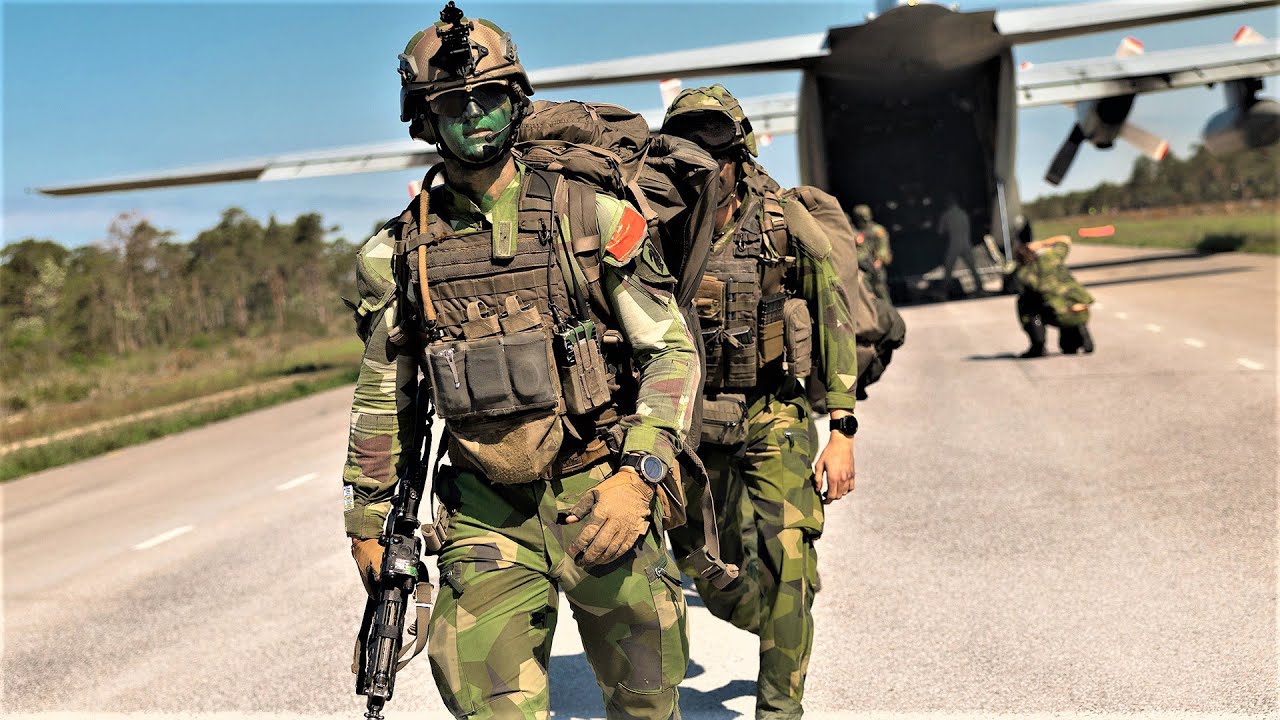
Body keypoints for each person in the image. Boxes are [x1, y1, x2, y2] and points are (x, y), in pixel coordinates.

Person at [342, 6, 699, 717]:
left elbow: (671, 351)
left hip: (602, 495)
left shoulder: (590, 218)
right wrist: (366, 515)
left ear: (516, 100)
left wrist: (642, 474)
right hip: (484, 514)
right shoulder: (396, 254)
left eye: (489, 97)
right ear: (424, 119)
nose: (474, 116)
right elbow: (387, 391)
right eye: (453, 103)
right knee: (488, 705)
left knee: (646, 704)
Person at [660, 84, 859, 720]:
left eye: (711, 159)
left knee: (789, 562)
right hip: (694, 424)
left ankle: (780, 708)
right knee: (710, 577)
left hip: (773, 411)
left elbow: (833, 316)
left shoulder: (780, 223)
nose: (701, 175)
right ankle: (776, 613)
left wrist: (843, 428)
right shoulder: (656, 233)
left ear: (738, 157)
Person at [1013, 234, 1096, 357]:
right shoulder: (1051, 257)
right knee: (1068, 344)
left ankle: (1038, 344)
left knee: (1026, 306)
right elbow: (1065, 239)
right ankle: (1077, 334)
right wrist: (1042, 243)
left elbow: (1025, 290)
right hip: (1078, 309)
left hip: (1056, 312)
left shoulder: (1023, 274)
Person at [937, 194, 984, 298]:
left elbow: (940, 231)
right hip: (966, 243)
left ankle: (944, 290)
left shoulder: (947, 215)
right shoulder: (963, 214)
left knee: (948, 268)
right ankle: (979, 286)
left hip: (954, 244)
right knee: (972, 267)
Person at [851, 204, 892, 300]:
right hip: (861, 266)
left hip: (874, 264)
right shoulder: (855, 232)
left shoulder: (877, 230)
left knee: (880, 289)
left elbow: (883, 246)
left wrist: (879, 260)